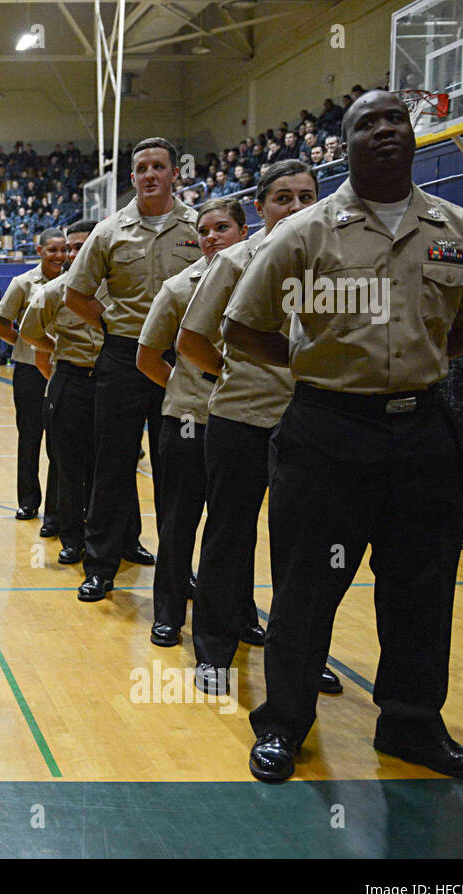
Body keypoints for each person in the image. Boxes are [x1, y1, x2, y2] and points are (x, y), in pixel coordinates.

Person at [222, 91, 463, 783]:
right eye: (366, 124)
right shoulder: (306, 231)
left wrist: (426, 358)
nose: (384, 131)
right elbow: (242, 325)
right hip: (328, 431)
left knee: (421, 584)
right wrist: (318, 366)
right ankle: (285, 725)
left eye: (396, 121)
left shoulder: (460, 227)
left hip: (422, 432)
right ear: (342, 145)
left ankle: (411, 726)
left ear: (414, 137)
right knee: (306, 586)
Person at [176, 160, 342, 696]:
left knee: (307, 549)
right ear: (261, 208)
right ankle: (215, 652)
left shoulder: (336, 261)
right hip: (241, 419)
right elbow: (191, 340)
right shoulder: (233, 261)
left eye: (305, 197)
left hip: (315, 422)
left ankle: (300, 654)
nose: (295, 208)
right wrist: (233, 372)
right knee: (229, 536)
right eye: (282, 198)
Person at [62, 137, 202, 601]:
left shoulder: (198, 226)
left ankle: (178, 567)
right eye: (141, 167)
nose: (150, 174)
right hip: (122, 358)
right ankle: (100, 565)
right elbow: (76, 294)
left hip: (181, 359)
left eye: (158, 166)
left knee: (177, 470)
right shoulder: (109, 231)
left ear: (174, 173)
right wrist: (110, 323)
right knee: (112, 465)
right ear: (132, 177)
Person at [134, 198, 247, 649]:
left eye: (222, 228)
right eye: (203, 231)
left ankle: (239, 613)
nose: (212, 237)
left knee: (235, 526)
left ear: (243, 230)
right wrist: (185, 388)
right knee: (179, 521)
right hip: (188, 421)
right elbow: (146, 356)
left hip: (244, 421)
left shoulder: (267, 279)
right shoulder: (179, 287)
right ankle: (168, 612)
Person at [19, 221, 103, 564]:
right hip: (71, 378)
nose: (72, 253)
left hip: (110, 380)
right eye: (70, 247)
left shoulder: (118, 288)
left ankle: (120, 539)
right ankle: (71, 537)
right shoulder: (53, 291)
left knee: (111, 466)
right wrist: (59, 352)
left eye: (80, 246)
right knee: (67, 464)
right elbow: (27, 332)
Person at [0, 228, 66, 524]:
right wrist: (26, 345)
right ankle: (28, 501)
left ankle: (58, 507)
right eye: (52, 250)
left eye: (63, 250)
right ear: (39, 251)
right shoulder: (22, 283)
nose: (59, 256)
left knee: (59, 442)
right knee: (30, 439)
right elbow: (1, 325)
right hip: (29, 371)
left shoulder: (73, 283)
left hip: (63, 370)